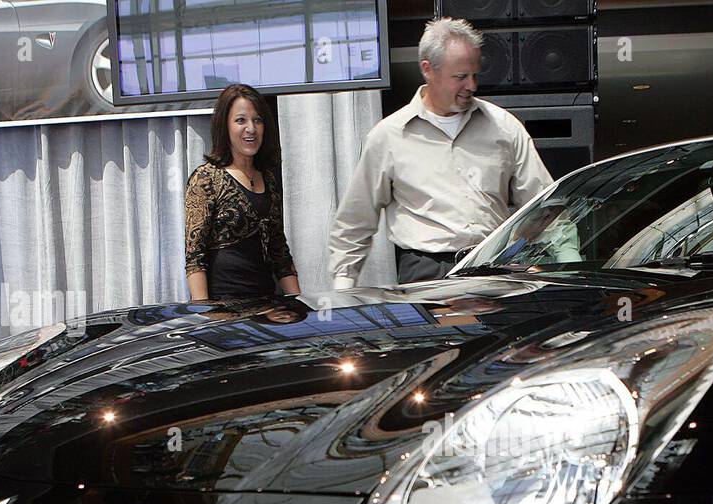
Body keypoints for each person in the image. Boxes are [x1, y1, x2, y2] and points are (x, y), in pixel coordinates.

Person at [327, 16, 554, 287]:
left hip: (495, 267)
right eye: (460, 77)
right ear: (427, 69)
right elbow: (356, 219)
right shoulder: (388, 136)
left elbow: (545, 205)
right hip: (425, 273)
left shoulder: (504, 127)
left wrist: (564, 263)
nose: (472, 86)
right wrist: (343, 287)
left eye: (474, 74)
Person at [185, 84, 300, 300]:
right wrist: (204, 314)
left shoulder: (267, 178)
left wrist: (301, 303)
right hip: (224, 310)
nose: (251, 128)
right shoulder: (206, 179)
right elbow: (194, 256)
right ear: (224, 126)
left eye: (257, 120)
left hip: (268, 306)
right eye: (241, 120)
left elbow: (279, 251)